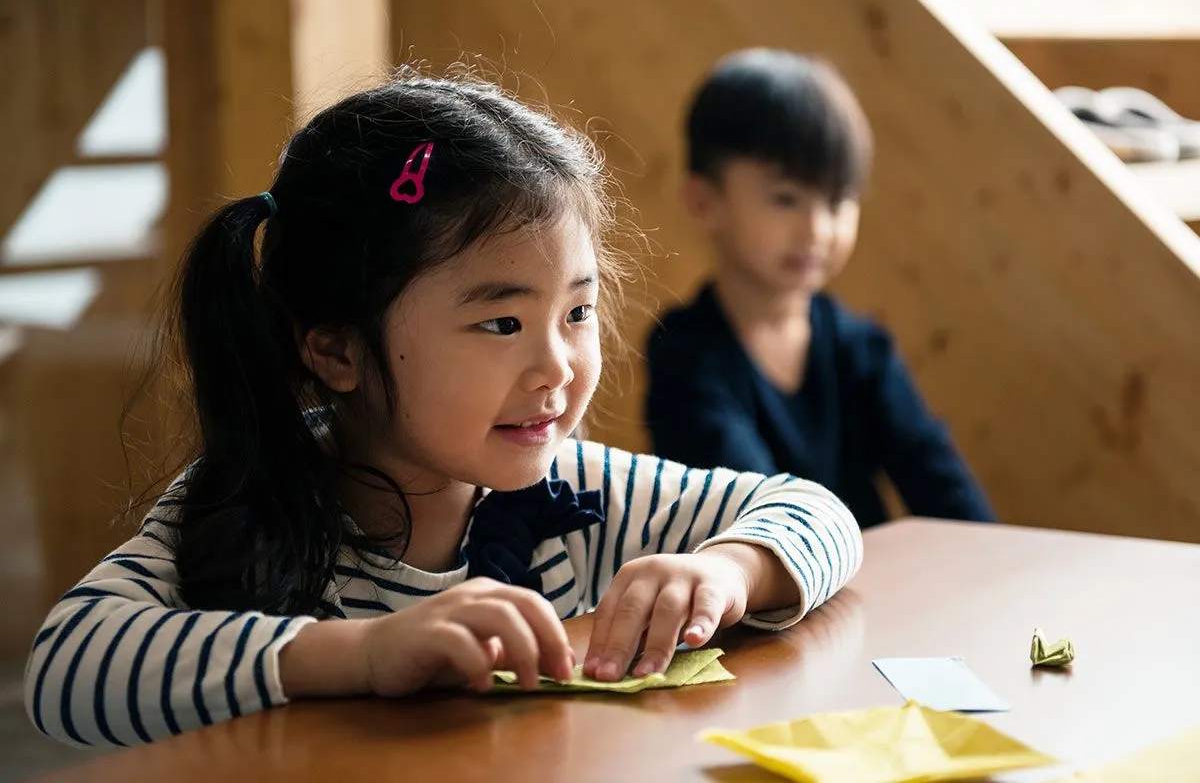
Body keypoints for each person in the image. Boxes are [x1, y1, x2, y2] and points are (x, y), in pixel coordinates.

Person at [26, 71, 862, 747]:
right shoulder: (254, 496)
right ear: (336, 351)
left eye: (575, 313)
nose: (558, 366)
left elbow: (817, 513)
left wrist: (728, 567)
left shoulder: (576, 489)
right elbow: (66, 673)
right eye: (501, 323)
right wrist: (360, 653)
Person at [645, 49, 996, 529]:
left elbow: (941, 484)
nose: (817, 230)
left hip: (872, 586)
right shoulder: (684, 355)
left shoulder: (860, 347)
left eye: (837, 202)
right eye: (786, 199)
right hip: (760, 595)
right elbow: (763, 518)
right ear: (705, 201)